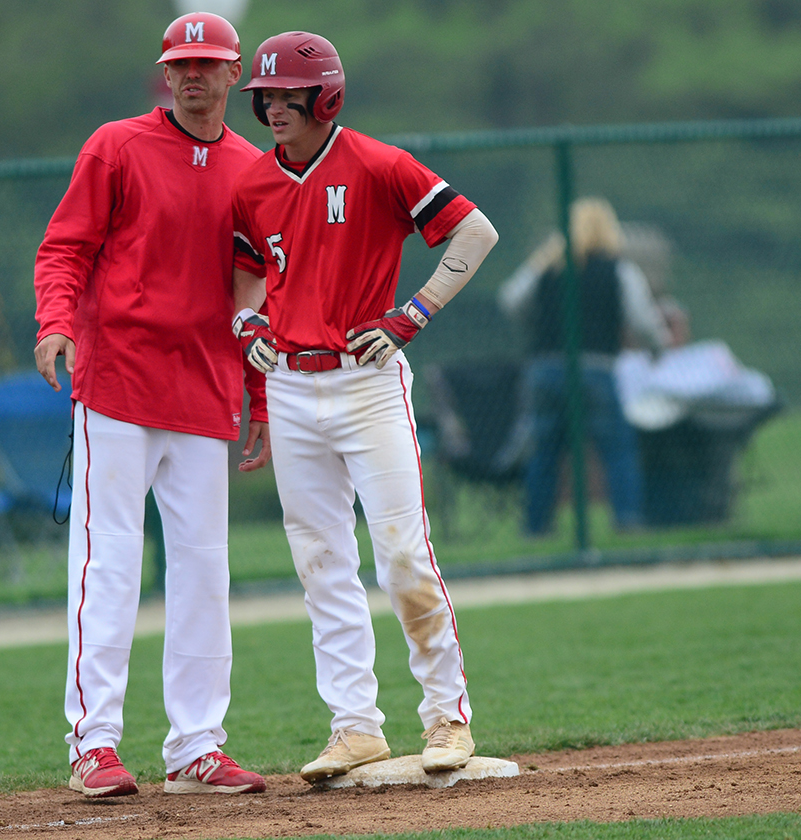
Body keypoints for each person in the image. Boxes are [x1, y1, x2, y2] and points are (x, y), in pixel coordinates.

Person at [228, 31, 500, 783]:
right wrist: (246, 323)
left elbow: (475, 232)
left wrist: (413, 311)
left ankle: (448, 717)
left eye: (288, 96)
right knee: (320, 563)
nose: (274, 108)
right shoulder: (252, 184)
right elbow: (247, 278)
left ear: (327, 98)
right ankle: (355, 727)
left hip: (366, 381)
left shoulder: (379, 163)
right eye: (265, 97)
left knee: (404, 554)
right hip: (289, 382)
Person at [31, 12, 269, 798]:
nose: (193, 73)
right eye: (180, 63)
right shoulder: (118, 145)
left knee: (204, 572)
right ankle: (93, 744)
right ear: (165, 75)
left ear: (235, 74)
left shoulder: (253, 169)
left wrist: (258, 398)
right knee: (109, 566)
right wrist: (56, 323)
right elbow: (65, 246)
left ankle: (196, 745)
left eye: (208, 62)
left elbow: (257, 293)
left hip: (205, 390)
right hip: (120, 384)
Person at [499, 198, 671, 535]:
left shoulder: (545, 267)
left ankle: (536, 527)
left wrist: (538, 322)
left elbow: (510, 299)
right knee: (618, 448)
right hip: (597, 368)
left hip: (546, 368)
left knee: (544, 451)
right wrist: (658, 347)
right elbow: (642, 318)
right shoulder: (618, 270)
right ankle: (628, 520)